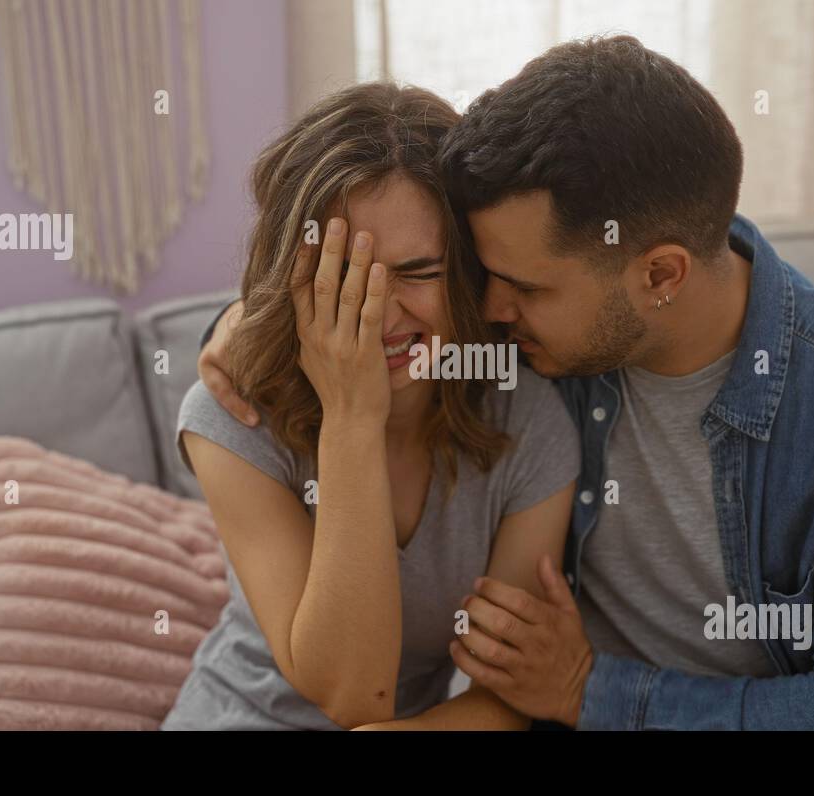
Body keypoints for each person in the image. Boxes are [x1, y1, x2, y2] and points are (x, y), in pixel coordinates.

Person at [199, 36, 814, 730]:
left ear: (660, 275)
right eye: (481, 276)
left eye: (523, 288)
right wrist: (254, 323)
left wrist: (587, 689)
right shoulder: (533, 359)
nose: (492, 312)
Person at [161, 83, 579, 731]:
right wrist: (353, 417)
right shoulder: (231, 415)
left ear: (467, 270)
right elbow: (353, 692)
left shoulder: (527, 420)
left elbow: (508, 691)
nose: (377, 315)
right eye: (343, 277)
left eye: (417, 272)